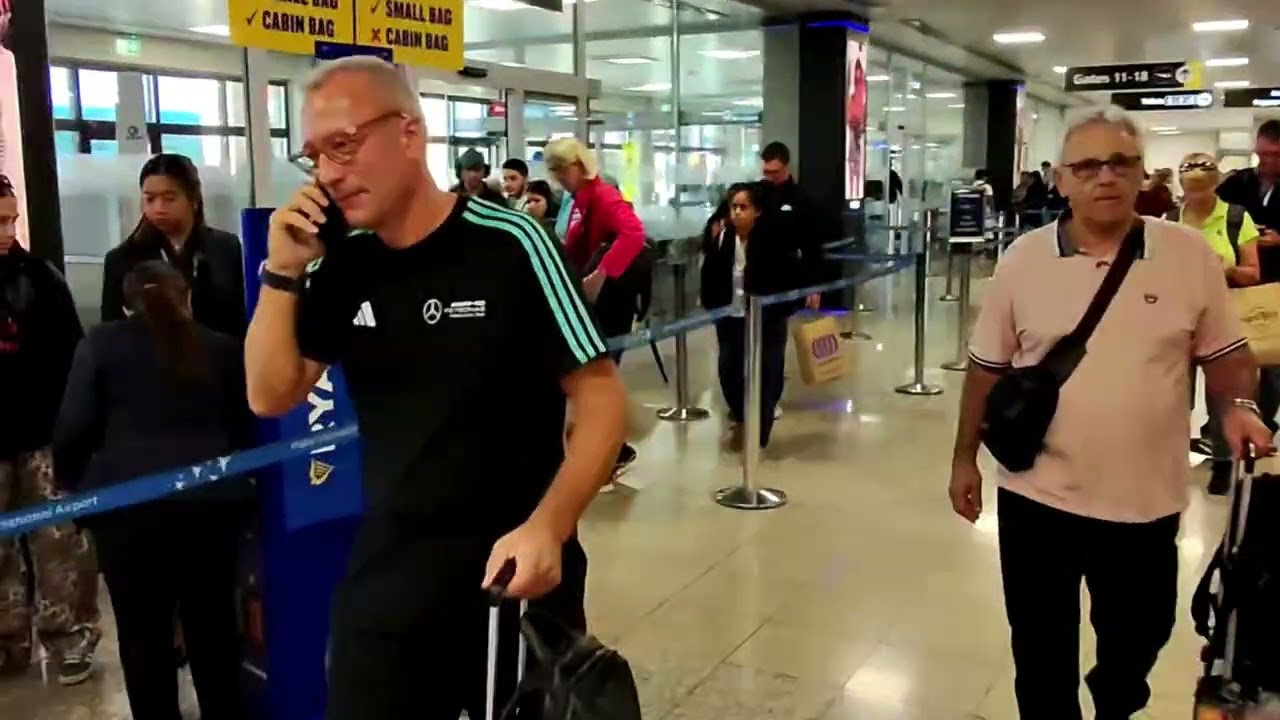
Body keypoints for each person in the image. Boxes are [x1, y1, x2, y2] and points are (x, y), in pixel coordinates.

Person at [243, 57, 627, 720]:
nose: (329, 172)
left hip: (510, 579)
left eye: (344, 144)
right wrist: (281, 270)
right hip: (387, 577)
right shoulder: (347, 264)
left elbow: (601, 399)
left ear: (410, 133)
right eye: (314, 156)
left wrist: (550, 525)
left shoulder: (512, 244)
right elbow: (269, 393)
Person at [949, 107, 1274, 720]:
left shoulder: (1186, 256)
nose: (1105, 176)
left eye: (1120, 163)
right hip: (1037, 495)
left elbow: (1227, 353)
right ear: (1063, 181)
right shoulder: (1022, 260)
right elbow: (985, 369)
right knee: (1040, 648)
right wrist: (964, 458)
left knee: (1139, 638)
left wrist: (1239, 407)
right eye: (1088, 165)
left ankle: (1114, 702)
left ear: (1141, 175)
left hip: (1145, 500)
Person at [53, 260, 252, 719]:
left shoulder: (101, 343)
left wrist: (70, 483)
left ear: (126, 306)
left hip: (128, 511)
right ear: (187, 298)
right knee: (214, 629)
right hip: (212, 506)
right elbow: (245, 427)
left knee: (143, 637)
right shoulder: (222, 348)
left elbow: (73, 425)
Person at [0, 173, 102, 685]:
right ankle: (6, 641)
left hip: (43, 431)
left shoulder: (41, 278)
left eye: (12, 219)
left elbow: (72, 355)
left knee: (59, 541)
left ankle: (69, 637)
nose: (8, 230)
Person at [544, 137, 645, 482]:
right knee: (592, 385)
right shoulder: (578, 200)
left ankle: (611, 454)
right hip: (592, 304)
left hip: (609, 303)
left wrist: (602, 273)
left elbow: (633, 234)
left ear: (579, 164)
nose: (558, 176)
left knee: (596, 385)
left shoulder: (602, 196)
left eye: (562, 168)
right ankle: (607, 453)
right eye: (553, 170)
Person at [1170, 153, 1263, 495]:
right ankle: (1172, 458)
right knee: (1174, 395)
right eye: (1190, 189)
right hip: (1177, 319)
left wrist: (1227, 269)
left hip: (1222, 319)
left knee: (1221, 394)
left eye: (1203, 189)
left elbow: (1254, 273)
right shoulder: (1169, 221)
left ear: (1215, 185)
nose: (1196, 196)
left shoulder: (1236, 218)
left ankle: (1223, 461)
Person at [102, 154, 246, 337]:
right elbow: (110, 334)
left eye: (169, 198)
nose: (159, 208)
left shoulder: (225, 248)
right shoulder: (122, 259)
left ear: (193, 200)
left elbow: (239, 319)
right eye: (150, 199)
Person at [700, 182, 794, 450]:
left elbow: (787, 275)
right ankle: (741, 416)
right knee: (729, 370)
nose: (737, 212)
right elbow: (710, 274)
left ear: (757, 211)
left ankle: (760, 430)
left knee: (768, 372)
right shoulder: (722, 237)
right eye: (734, 207)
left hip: (767, 318)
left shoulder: (772, 238)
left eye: (744, 207)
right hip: (730, 316)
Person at [707, 142, 823, 311]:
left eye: (775, 172)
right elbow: (721, 216)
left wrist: (813, 287)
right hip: (750, 272)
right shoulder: (753, 192)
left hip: (783, 277)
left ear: (786, 167)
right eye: (766, 172)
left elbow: (812, 245)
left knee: (774, 330)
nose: (770, 177)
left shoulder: (801, 199)